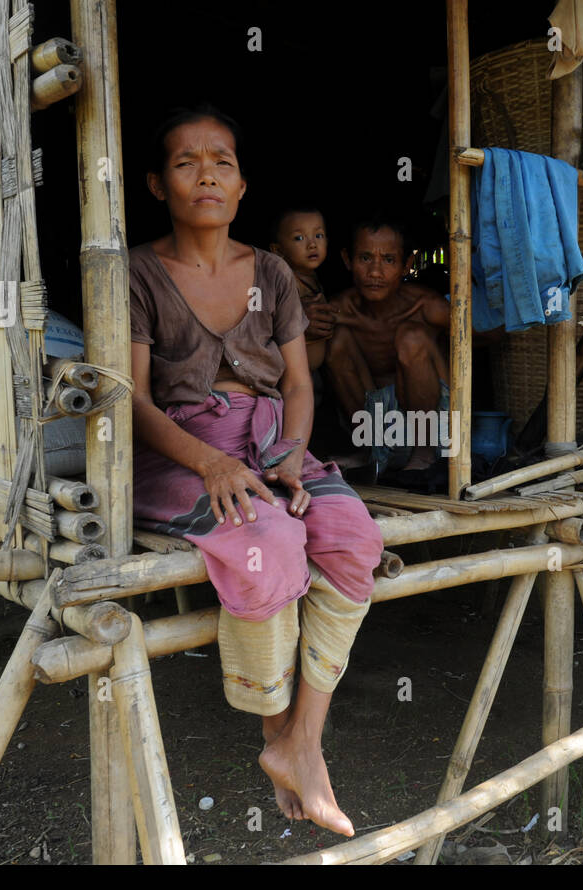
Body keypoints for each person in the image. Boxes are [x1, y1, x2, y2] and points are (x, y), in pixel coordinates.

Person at [129, 105, 382, 837]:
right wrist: (209, 461)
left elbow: (299, 384)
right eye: (185, 161)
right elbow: (133, 398)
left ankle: (301, 742)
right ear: (155, 183)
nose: (206, 171)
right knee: (264, 541)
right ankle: (281, 736)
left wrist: (290, 453)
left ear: (242, 187)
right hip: (182, 452)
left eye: (223, 160)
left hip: (273, 442)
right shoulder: (140, 272)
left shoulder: (270, 270)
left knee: (352, 536)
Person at [324, 218, 451, 471]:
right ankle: (370, 452)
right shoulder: (339, 309)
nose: (375, 272)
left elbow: (486, 338)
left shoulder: (427, 307)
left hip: (437, 428)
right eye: (365, 258)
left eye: (389, 260)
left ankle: (423, 453)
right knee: (335, 338)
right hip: (378, 429)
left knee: (412, 337)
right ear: (348, 260)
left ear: (407, 265)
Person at [268, 206, 338, 372]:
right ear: (278, 250)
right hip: (289, 378)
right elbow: (265, 322)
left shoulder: (312, 276)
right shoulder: (284, 282)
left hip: (312, 374)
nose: (312, 244)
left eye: (319, 235)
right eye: (299, 238)